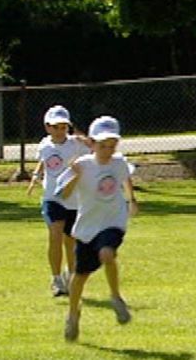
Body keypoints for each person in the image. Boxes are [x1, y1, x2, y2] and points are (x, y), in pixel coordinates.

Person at [55, 116, 138, 342]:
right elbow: (63, 194)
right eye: (103, 146)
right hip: (88, 227)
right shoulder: (82, 165)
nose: (108, 150)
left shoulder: (119, 162)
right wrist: (75, 177)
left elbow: (126, 177)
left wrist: (133, 200)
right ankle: (73, 314)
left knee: (107, 253)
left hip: (113, 222)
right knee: (79, 276)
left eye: (112, 146)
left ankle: (116, 297)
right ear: (92, 143)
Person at [26, 105, 91, 296]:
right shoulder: (44, 144)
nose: (60, 131)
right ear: (47, 127)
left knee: (70, 241)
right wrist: (36, 176)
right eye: (55, 127)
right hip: (52, 198)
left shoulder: (76, 144)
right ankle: (56, 279)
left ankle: (71, 277)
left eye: (63, 127)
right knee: (55, 234)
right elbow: (45, 161)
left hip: (73, 198)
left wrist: (81, 136)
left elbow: (96, 146)